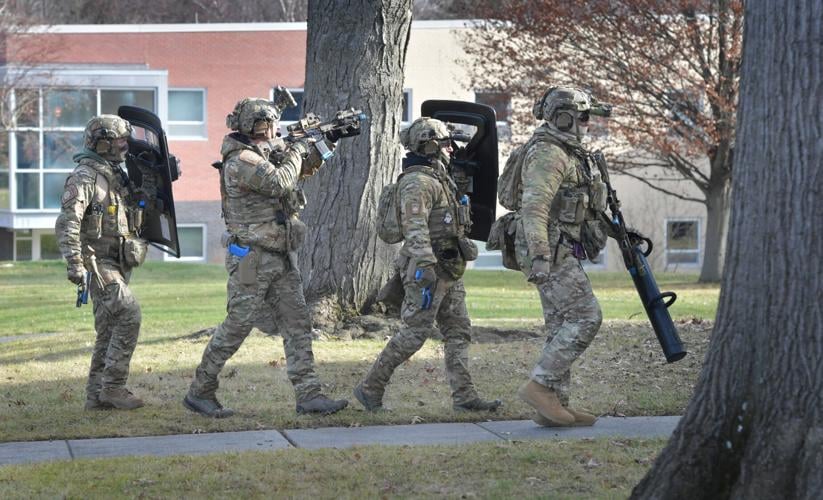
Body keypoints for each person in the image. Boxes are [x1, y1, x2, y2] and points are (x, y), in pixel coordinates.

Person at [183, 96, 348, 418]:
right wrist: (297, 149)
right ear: (255, 126)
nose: (275, 129)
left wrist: (328, 141)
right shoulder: (242, 160)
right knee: (238, 324)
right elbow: (280, 182)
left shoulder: (264, 154)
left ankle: (309, 395)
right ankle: (200, 391)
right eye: (269, 124)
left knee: (297, 323)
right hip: (252, 258)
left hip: (280, 255)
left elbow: (302, 171)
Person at [354, 117, 502, 413]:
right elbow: (415, 228)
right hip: (428, 270)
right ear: (430, 146)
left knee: (458, 330)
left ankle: (464, 397)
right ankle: (370, 388)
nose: (451, 149)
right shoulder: (417, 183)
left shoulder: (439, 179)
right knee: (414, 333)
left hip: (449, 267)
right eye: (446, 144)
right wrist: (426, 266)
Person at [513, 86, 615, 427]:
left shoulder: (567, 152)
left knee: (560, 324)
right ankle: (540, 386)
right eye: (583, 117)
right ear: (564, 118)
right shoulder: (549, 154)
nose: (587, 124)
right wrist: (541, 256)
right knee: (586, 316)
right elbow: (534, 207)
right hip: (548, 248)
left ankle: (554, 405)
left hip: (559, 245)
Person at [56, 114, 148, 411]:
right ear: (103, 143)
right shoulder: (84, 177)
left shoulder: (116, 174)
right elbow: (68, 223)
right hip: (96, 262)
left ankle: (95, 397)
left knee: (108, 329)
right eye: (120, 140)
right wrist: (75, 264)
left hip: (119, 261)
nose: (125, 145)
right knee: (129, 314)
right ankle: (113, 388)